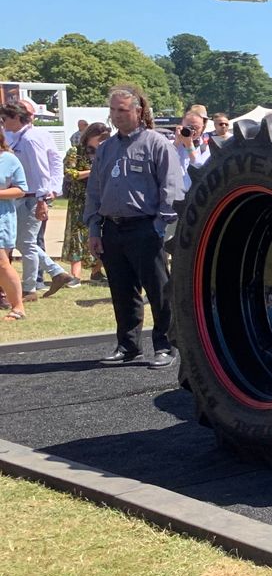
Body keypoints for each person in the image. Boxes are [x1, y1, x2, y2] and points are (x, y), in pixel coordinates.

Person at [85, 85, 185, 366]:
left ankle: (165, 346)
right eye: (113, 110)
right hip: (112, 228)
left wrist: (159, 227)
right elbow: (94, 192)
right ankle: (128, 346)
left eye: (122, 110)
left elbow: (171, 189)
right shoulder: (105, 149)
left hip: (145, 227)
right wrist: (94, 229)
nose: (116, 116)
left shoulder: (156, 143)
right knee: (121, 290)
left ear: (139, 112)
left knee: (158, 291)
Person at [0, 100, 72, 301]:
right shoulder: (17, 136)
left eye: (5, 119)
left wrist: (43, 199)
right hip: (25, 198)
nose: (3, 123)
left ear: (16, 118)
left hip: (33, 197)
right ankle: (56, 273)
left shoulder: (31, 139)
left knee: (27, 243)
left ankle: (30, 288)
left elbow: (42, 170)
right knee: (22, 242)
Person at [62, 121, 110, 284]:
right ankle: (75, 275)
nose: (101, 140)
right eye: (99, 137)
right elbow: (69, 173)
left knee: (101, 235)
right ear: (90, 135)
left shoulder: (106, 152)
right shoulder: (76, 151)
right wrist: (92, 172)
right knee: (77, 236)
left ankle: (96, 271)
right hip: (79, 200)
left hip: (100, 198)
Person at [0, 134, 27, 320]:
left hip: (2, 217)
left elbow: (20, 189)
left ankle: (18, 307)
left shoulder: (8, 159)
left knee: (2, 263)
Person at [175, 106, 213, 191]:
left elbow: (200, 168)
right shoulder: (170, 144)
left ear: (203, 127)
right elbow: (163, 161)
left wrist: (189, 146)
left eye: (196, 128)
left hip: (195, 197)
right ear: (181, 125)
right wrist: (176, 143)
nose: (192, 131)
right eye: (188, 126)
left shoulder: (206, 146)